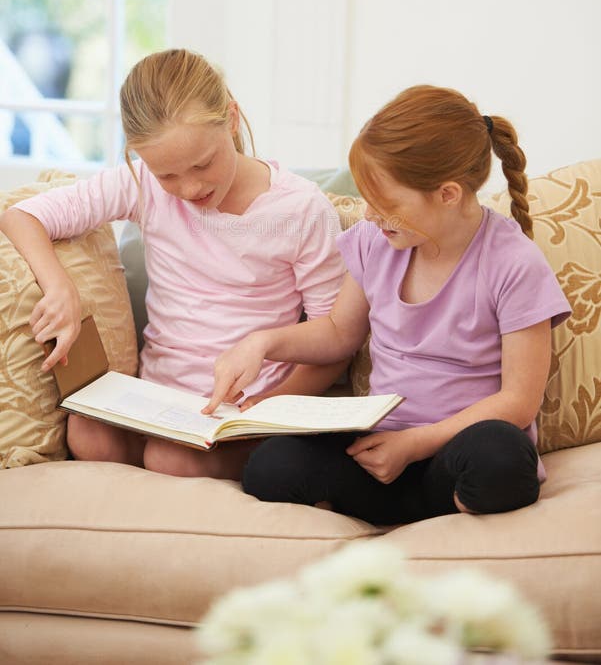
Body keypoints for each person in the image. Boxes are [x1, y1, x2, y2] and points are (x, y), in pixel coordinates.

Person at [203, 85, 571, 524]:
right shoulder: (376, 242)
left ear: (448, 194)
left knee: (503, 456)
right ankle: (397, 509)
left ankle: (445, 508)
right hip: (376, 452)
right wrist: (262, 342)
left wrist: (416, 443)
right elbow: (339, 332)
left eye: (387, 204)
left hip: (451, 455)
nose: (371, 216)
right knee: (270, 464)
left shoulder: (513, 263)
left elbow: (518, 401)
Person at [0, 49, 347, 479]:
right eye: (168, 174)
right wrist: (59, 288)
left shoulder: (301, 209)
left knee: (170, 459)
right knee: (87, 432)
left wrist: (266, 410)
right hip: (155, 407)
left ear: (232, 120)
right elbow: (23, 215)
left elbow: (335, 341)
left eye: (203, 164)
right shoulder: (143, 184)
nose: (190, 187)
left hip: (243, 414)